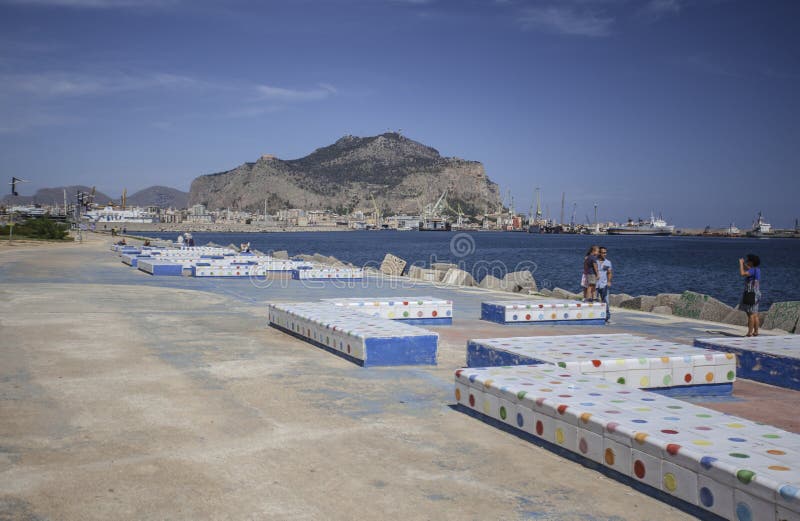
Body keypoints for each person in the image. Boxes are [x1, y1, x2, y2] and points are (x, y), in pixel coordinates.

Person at [738, 253, 761, 337]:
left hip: (750, 294)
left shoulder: (751, 270)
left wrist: (740, 263)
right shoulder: (757, 269)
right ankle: (756, 331)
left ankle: (750, 332)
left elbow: (742, 273)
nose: (747, 261)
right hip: (757, 293)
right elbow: (748, 269)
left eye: (748, 261)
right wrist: (744, 264)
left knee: (750, 314)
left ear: (752, 262)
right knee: (755, 314)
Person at [596, 246, 613, 322]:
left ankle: (607, 317)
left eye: (605, 253)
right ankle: (595, 316)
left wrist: (609, 281)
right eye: (603, 253)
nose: (604, 254)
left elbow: (609, 273)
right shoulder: (594, 261)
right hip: (595, 284)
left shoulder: (608, 262)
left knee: (606, 301)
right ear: (599, 253)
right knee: (594, 301)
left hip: (604, 284)